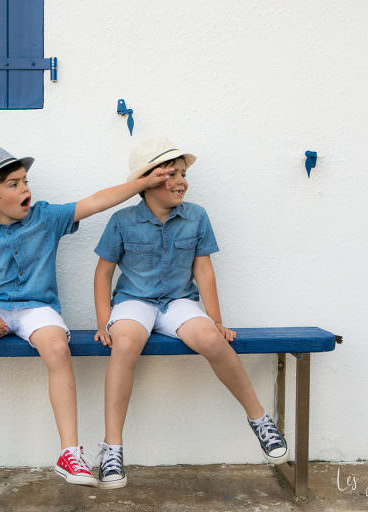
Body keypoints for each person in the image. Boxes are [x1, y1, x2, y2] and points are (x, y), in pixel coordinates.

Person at [0, 145, 169, 499]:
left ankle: (70, 453)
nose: (25, 190)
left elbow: (96, 201)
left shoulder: (46, 217)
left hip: (37, 307)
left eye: (25, 181)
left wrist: (143, 182)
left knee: (56, 347)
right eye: (14, 185)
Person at [93, 136, 289, 489]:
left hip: (178, 301)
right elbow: (103, 272)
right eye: (172, 173)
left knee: (211, 340)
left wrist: (215, 320)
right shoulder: (122, 221)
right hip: (134, 302)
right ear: (148, 181)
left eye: (183, 173)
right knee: (126, 344)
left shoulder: (196, 216)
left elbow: (203, 271)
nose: (182, 180)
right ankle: (112, 448)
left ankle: (259, 419)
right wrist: (102, 319)